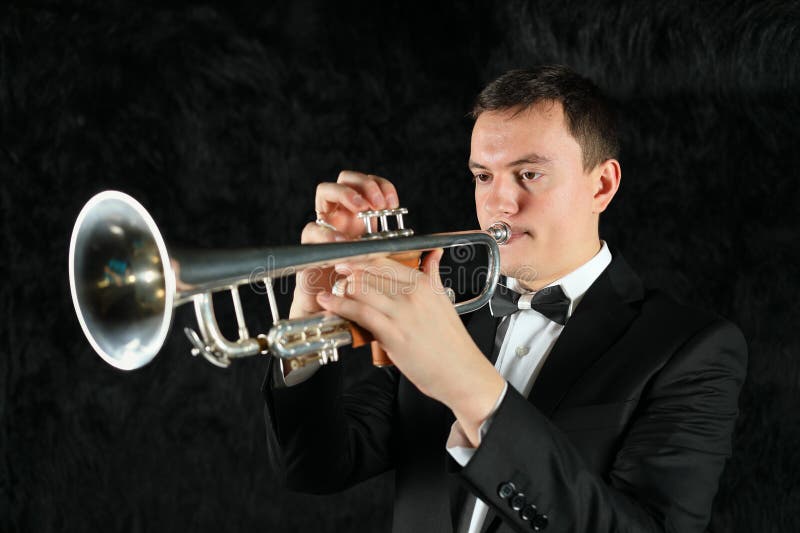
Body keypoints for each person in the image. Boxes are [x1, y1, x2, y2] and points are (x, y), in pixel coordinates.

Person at [262, 65, 747, 532]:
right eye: (483, 176)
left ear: (602, 185)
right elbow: (312, 468)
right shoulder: (445, 316)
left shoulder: (691, 349)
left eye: (529, 174)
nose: (499, 204)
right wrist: (309, 313)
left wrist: (469, 386)